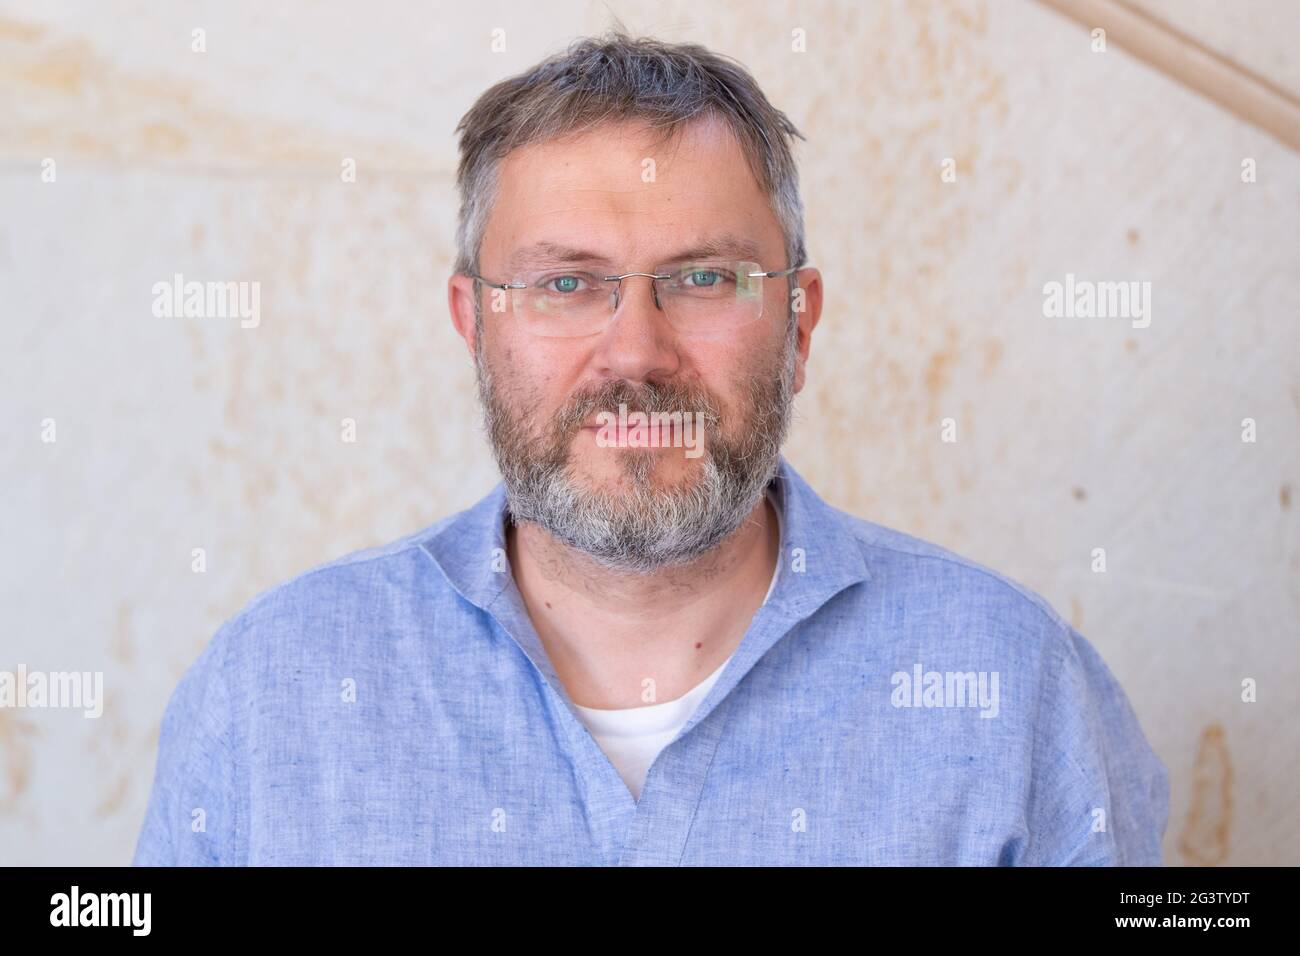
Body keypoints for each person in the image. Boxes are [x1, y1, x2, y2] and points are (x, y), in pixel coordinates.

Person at [133, 29, 1168, 866]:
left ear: (799, 323)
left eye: (707, 278)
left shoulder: (1013, 679)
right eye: (566, 282)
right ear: (475, 324)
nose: (634, 350)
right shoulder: (272, 692)